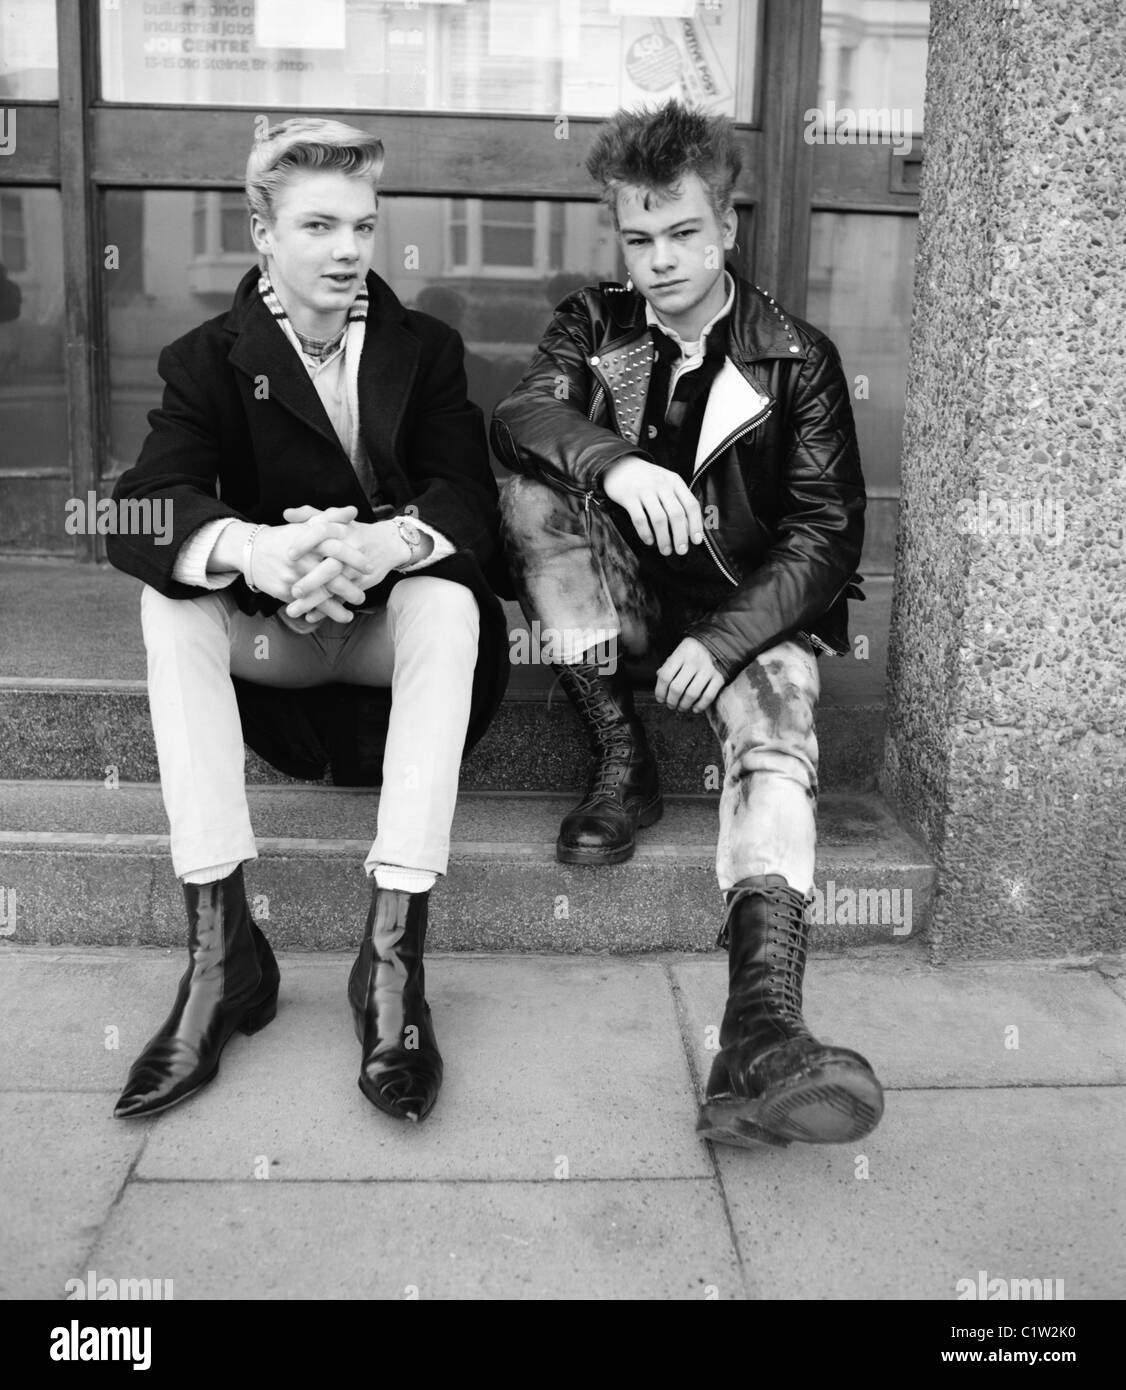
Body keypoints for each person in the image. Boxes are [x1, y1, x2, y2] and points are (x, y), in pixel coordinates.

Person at [492, 100, 884, 1149]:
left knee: (776, 738)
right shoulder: (593, 325)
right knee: (530, 499)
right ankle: (624, 761)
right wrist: (613, 460)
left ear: (726, 228)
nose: (660, 261)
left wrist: (723, 644)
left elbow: (823, 539)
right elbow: (520, 414)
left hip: (744, 620)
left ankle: (759, 1029)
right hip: (623, 605)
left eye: (683, 234)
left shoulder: (796, 357)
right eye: (638, 237)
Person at [106, 118, 507, 1125]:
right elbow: (141, 509)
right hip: (272, 644)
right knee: (170, 601)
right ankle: (221, 958)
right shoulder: (205, 359)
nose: (345, 250)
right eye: (318, 225)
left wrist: (384, 545)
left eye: (362, 227)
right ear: (262, 234)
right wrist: (259, 549)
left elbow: (470, 502)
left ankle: (390, 967)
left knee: (450, 596)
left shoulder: (427, 349)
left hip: (377, 637)